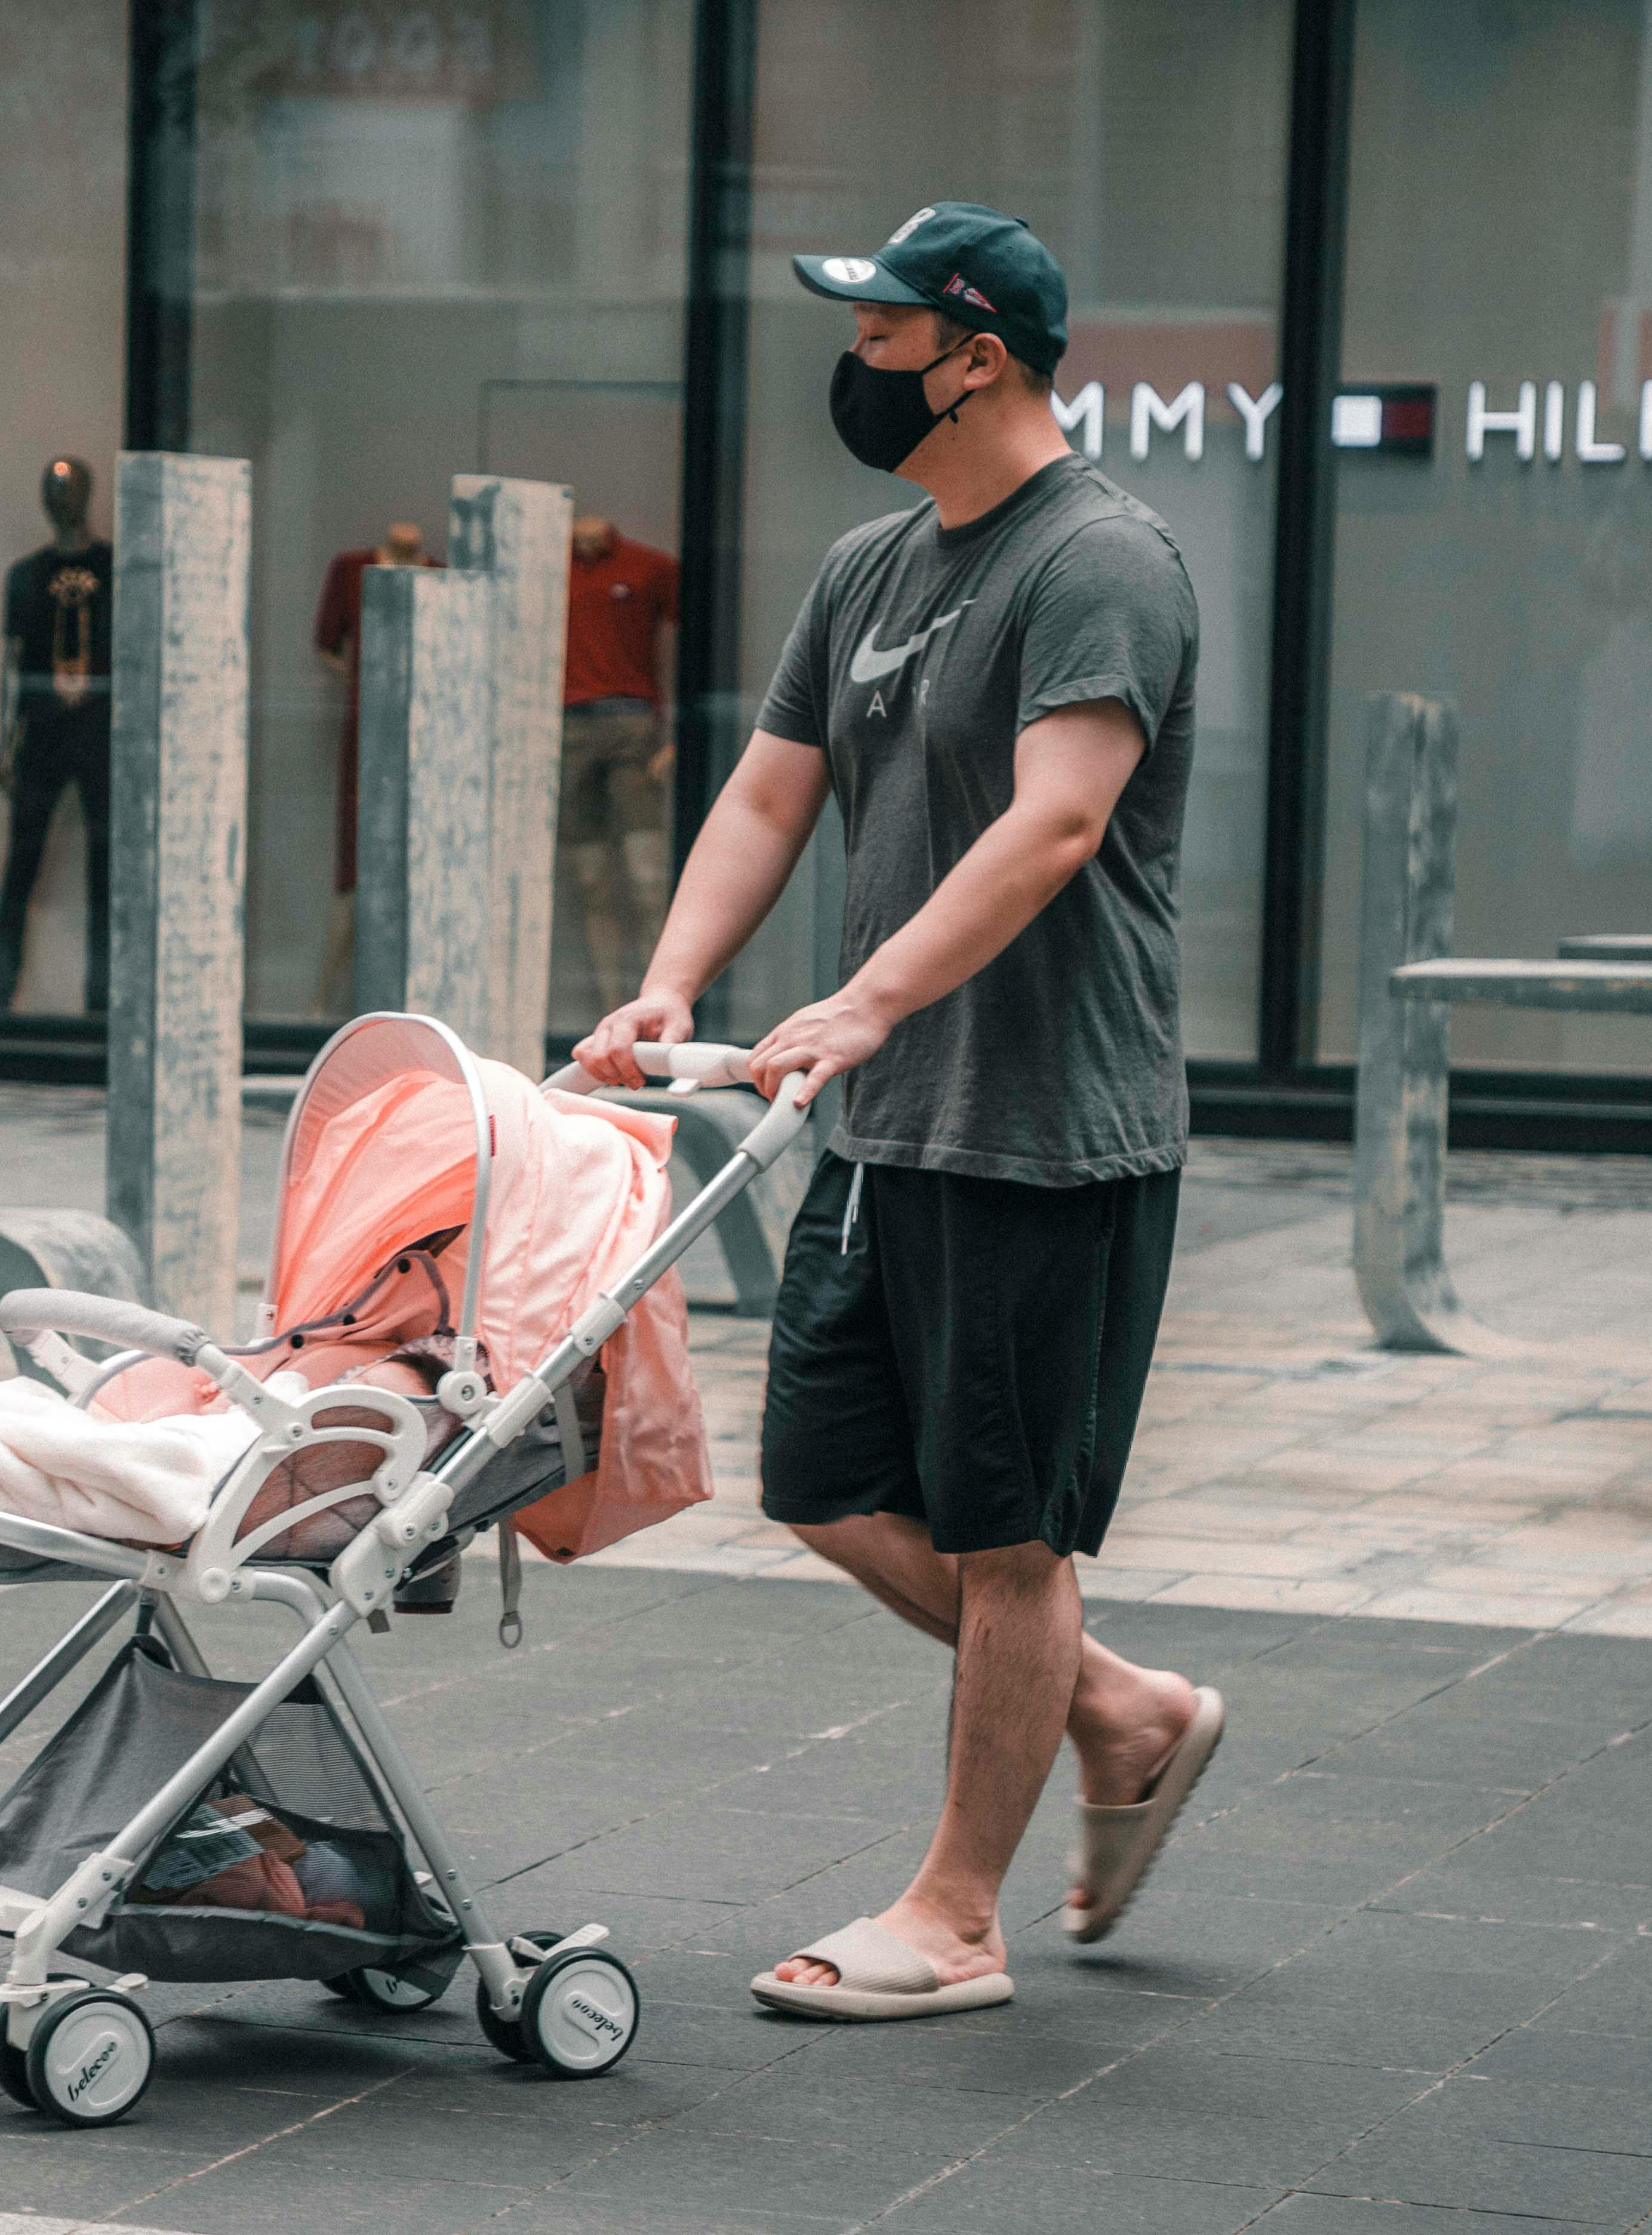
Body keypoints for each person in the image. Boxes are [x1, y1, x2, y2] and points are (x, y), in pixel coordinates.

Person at [574, 202, 1223, 2022]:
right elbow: (775, 797)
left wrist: (857, 999)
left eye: (876, 337)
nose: (849, 367)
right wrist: (677, 981)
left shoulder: (1102, 561)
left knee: (1012, 1539)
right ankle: (1117, 1708)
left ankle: (958, 1915)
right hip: (883, 1120)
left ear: (975, 357)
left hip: (1043, 1127)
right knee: (830, 1484)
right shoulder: (870, 569)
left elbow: (1058, 822)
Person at [0, 458, 112, 1013]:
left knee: (106, 871)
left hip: (99, 733)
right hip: (42, 733)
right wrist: (7, 742)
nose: (59, 496)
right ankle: (0, 999)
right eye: (51, 488)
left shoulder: (116, 570)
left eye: (68, 486)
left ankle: (101, 1002)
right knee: (21, 865)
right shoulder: (26, 577)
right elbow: (13, 665)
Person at [309, 522, 438, 1013]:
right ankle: (323, 1005)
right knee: (356, 865)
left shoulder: (440, 578)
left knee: (421, 861)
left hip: (427, 738)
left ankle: (414, 1004)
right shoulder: (351, 570)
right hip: (366, 733)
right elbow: (326, 642)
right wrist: (363, 681)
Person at [558, 512, 680, 1015]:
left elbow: (698, 648)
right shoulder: (548, 571)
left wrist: (679, 738)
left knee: (647, 876)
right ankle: (610, 1006)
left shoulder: (648, 567)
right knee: (590, 881)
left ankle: (659, 1003)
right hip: (565, 732)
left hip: (632, 729)